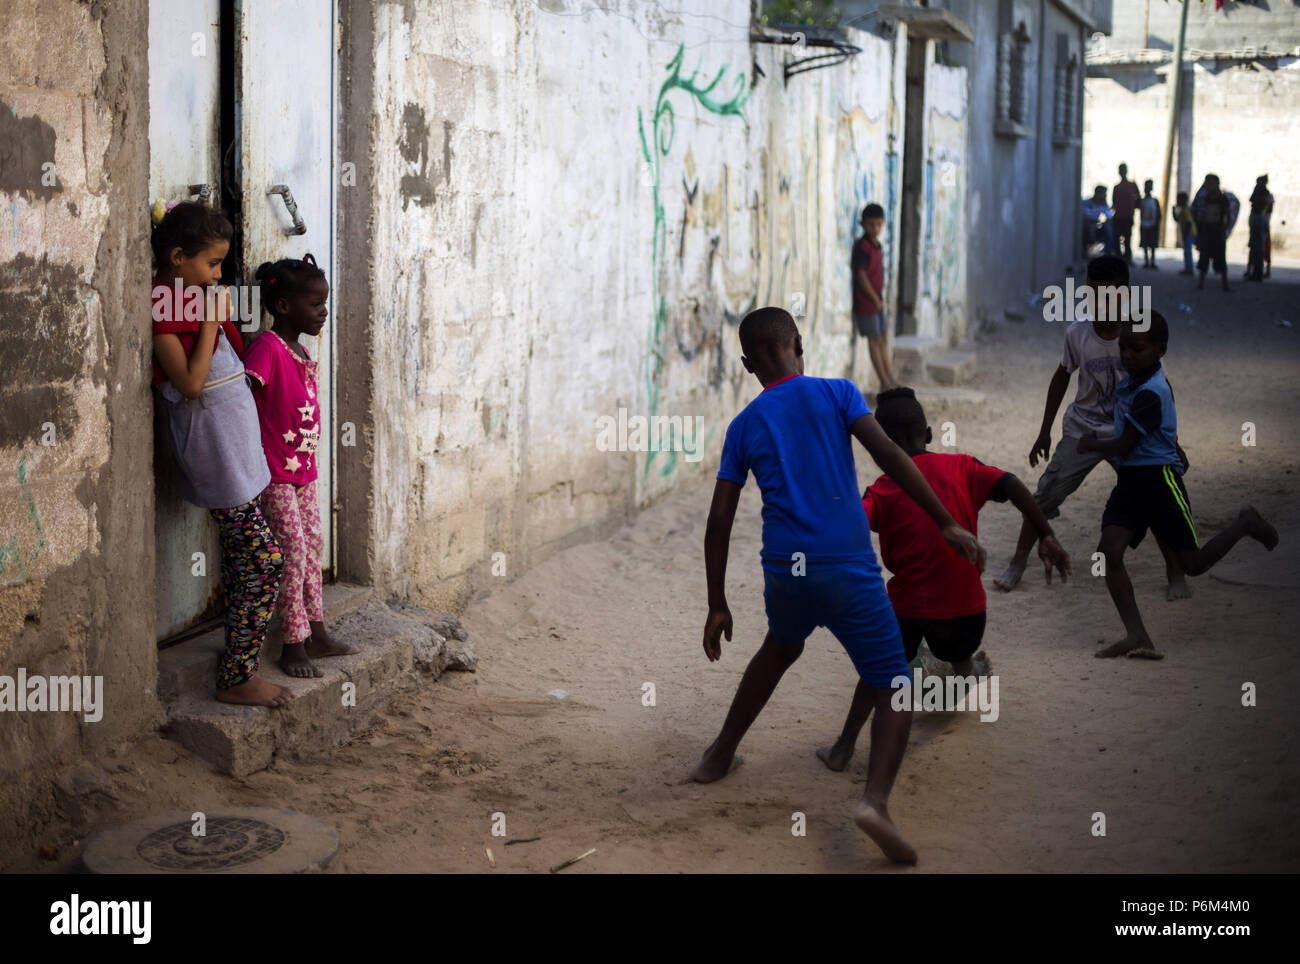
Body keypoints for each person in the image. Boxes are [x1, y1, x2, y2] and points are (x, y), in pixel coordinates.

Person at [693, 307, 983, 864]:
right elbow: (891, 455)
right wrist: (945, 520)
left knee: (780, 646)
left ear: (749, 364)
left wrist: (717, 603)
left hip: (786, 570)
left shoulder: (744, 425)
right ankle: (874, 802)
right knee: (894, 683)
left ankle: (717, 755)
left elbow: (718, 522)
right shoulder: (839, 393)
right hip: (848, 567)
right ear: (798, 344)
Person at [816, 388, 1070, 773]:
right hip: (967, 617)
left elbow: (846, 527)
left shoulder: (881, 491)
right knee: (957, 652)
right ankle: (969, 671)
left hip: (907, 612)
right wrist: (1047, 534)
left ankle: (843, 747)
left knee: (876, 673)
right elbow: (1015, 484)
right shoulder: (964, 468)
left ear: (880, 447)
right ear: (929, 434)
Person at [151, 202, 291, 708]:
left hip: (236, 443)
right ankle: (237, 676)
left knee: (243, 557)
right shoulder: (163, 311)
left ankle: (241, 659)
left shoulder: (196, 297)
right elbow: (189, 384)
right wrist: (211, 322)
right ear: (177, 257)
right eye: (211, 264)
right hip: (212, 449)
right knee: (265, 559)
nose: (217, 274)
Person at [1077, 311, 1279, 659]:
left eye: (1136, 349)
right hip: (1130, 483)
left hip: (1160, 482)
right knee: (1110, 551)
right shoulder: (1131, 383)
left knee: (1193, 564)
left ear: (1160, 350)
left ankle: (1245, 522)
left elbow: (1125, 444)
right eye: (1123, 348)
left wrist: (1092, 443)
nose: (1126, 355)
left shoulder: (1151, 392)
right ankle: (1137, 634)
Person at [994, 256, 1190, 600]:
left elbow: (1161, 387)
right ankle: (1018, 562)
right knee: (1046, 493)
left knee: (1155, 492)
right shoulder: (1077, 332)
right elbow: (1061, 376)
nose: (1100, 304)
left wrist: (1171, 440)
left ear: (1125, 296)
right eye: (1093, 295)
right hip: (1083, 430)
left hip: (1129, 434)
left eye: (1109, 296)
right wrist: (1045, 430)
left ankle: (1175, 572)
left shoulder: (1138, 334)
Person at [244, 256, 355, 678]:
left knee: (312, 548)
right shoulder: (268, 349)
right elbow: (243, 398)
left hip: (303, 473)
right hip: (274, 474)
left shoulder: (299, 349)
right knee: (291, 552)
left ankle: (318, 633)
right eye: (316, 304)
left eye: (324, 304)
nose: (323, 312)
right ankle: (292, 644)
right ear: (285, 306)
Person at [851, 203, 898, 392]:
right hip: (867, 302)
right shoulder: (862, 246)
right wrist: (874, 298)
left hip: (877, 301)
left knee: (882, 339)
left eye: (879, 224)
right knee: (873, 340)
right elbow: (861, 276)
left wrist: (880, 299)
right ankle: (884, 382)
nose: (875, 229)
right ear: (863, 224)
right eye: (871, 225)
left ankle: (890, 379)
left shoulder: (877, 245)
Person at [1191, 174, 1232, 292]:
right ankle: (1201, 283)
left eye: (1210, 182)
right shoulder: (1204, 197)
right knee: (1204, 258)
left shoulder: (1222, 199)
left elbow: (1227, 215)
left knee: (1220, 259)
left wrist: (1224, 229)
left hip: (1217, 232)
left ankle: (1225, 284)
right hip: (1206, 231)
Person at [1112, 163, 1140, 264]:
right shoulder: (1117, 187)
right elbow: (1114, 203)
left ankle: (1127, 257)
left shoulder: (1132, 185)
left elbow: (1138, 199)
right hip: (1119, 216)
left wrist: (1132, 208)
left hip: (1128, 216)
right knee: (1117, 237)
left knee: (1127, 238)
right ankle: (1119, 257)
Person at [1246, 175, 1272, 282]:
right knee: (1256, 247)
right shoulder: (1263, 193)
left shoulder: (1262, 193)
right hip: (1259, 220)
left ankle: (1257, 273)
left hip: (1259, 220)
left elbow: (1253, 201)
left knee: (1258, 248)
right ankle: (1255, 272)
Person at [1081, 186, 1115, 256]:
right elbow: (1085, 214)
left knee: (1108, 228)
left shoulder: (1104, 205)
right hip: (1087, 227)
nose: (1105, 196)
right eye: (1103, 194)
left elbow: (1108, 216)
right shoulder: (1086, 203)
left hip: (1098, 228)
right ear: (1097, 193)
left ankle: (1108, 253)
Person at [1171, 190, 1196, 275]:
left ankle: (1189, 269)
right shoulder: (1182, 210)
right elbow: (1177, 219)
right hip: (1188, 233)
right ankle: (1187, 267)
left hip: (1190, 233)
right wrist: (1173, 211)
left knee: (1188, 251)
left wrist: (1185, 234)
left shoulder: (1186, 210)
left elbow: (1189, 223)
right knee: (1186, 251)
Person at [1138, 179, 1161, 269]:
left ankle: (1152, 261)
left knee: (1152, 244)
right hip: (1144, 225)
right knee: (1145, 243)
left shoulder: (1155, 200)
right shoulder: (1142, 200)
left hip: (1152, 225)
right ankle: (1147, 261)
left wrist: (1157, 224)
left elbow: (1158, 213)